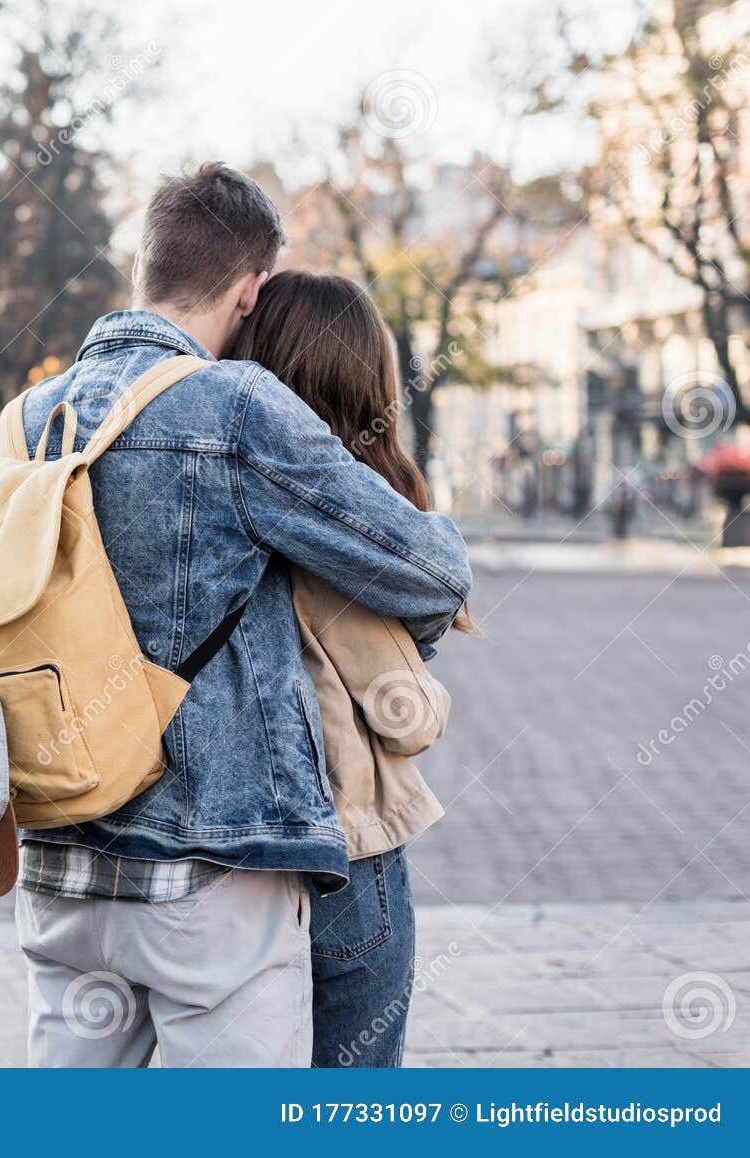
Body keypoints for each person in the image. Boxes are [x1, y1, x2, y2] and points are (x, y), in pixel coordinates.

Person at [0, 164, 471, 1067]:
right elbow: (432, 573)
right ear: (251, 288)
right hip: (207, 866)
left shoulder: (25, 419)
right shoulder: (236, 407)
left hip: (60, 859)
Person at [229, 269, 473, 1066]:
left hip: (219, 851)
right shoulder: (351, 520)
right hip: (345, 851)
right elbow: (409, 715)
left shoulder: (217, 494)